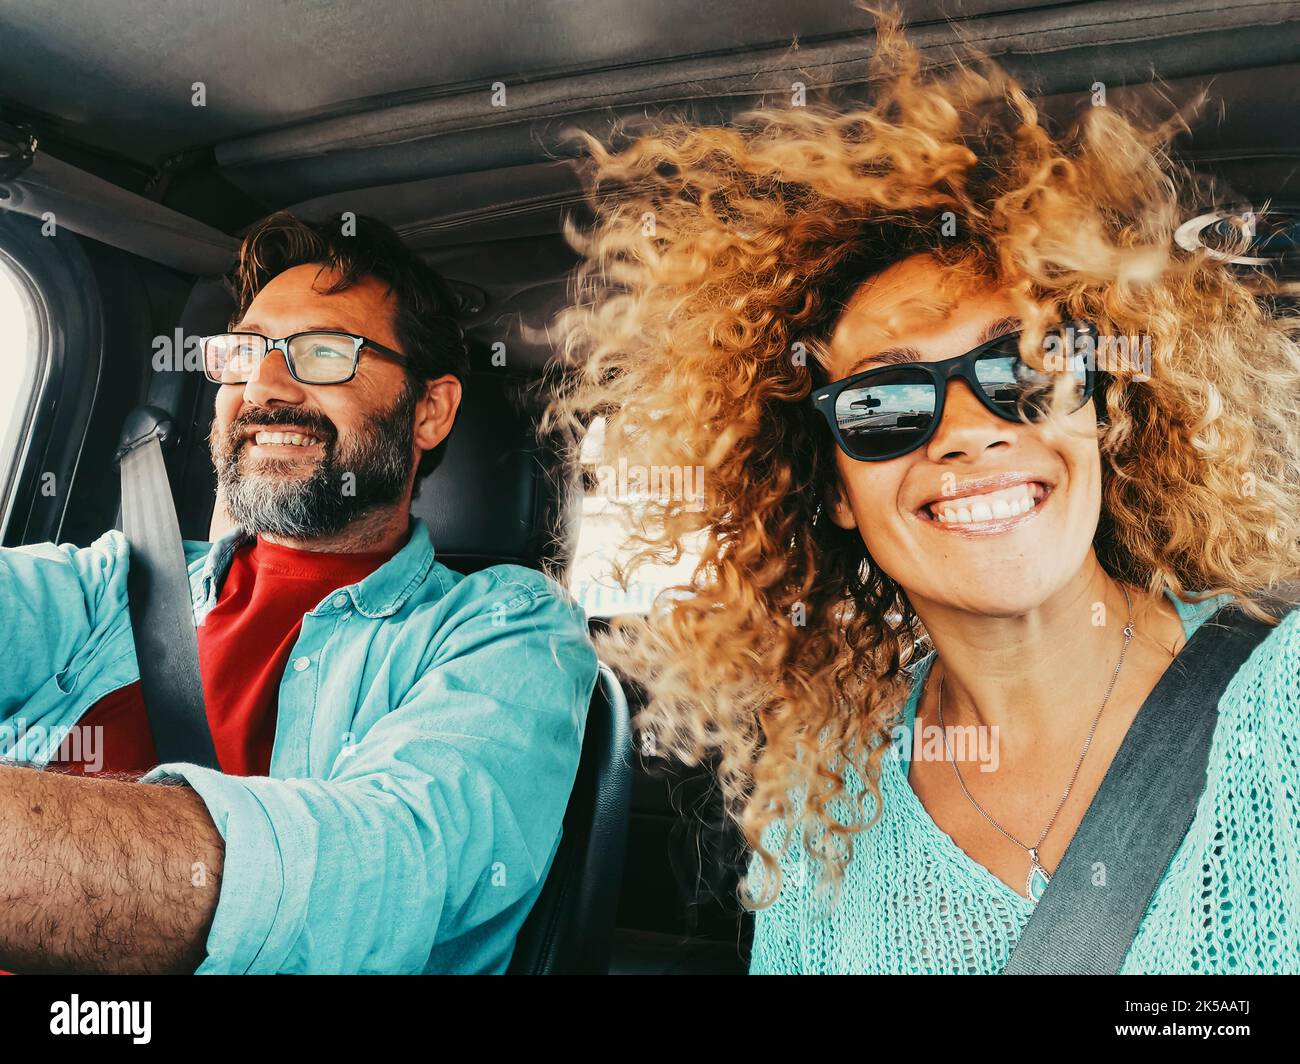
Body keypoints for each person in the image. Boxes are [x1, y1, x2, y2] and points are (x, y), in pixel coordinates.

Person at [547, 11, 1300, 973]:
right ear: (829, 484)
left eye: (1024, 370)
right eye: (882, 404)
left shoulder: (1282, 708)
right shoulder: (822, 798)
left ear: (1104, 410)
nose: (967, 431)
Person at [0, 211, 598, 973]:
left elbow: (381, 876)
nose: (264, 384)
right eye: (243, 351)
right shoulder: (111, 583)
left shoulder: (509, 631)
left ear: (430, 411)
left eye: (323, 352)